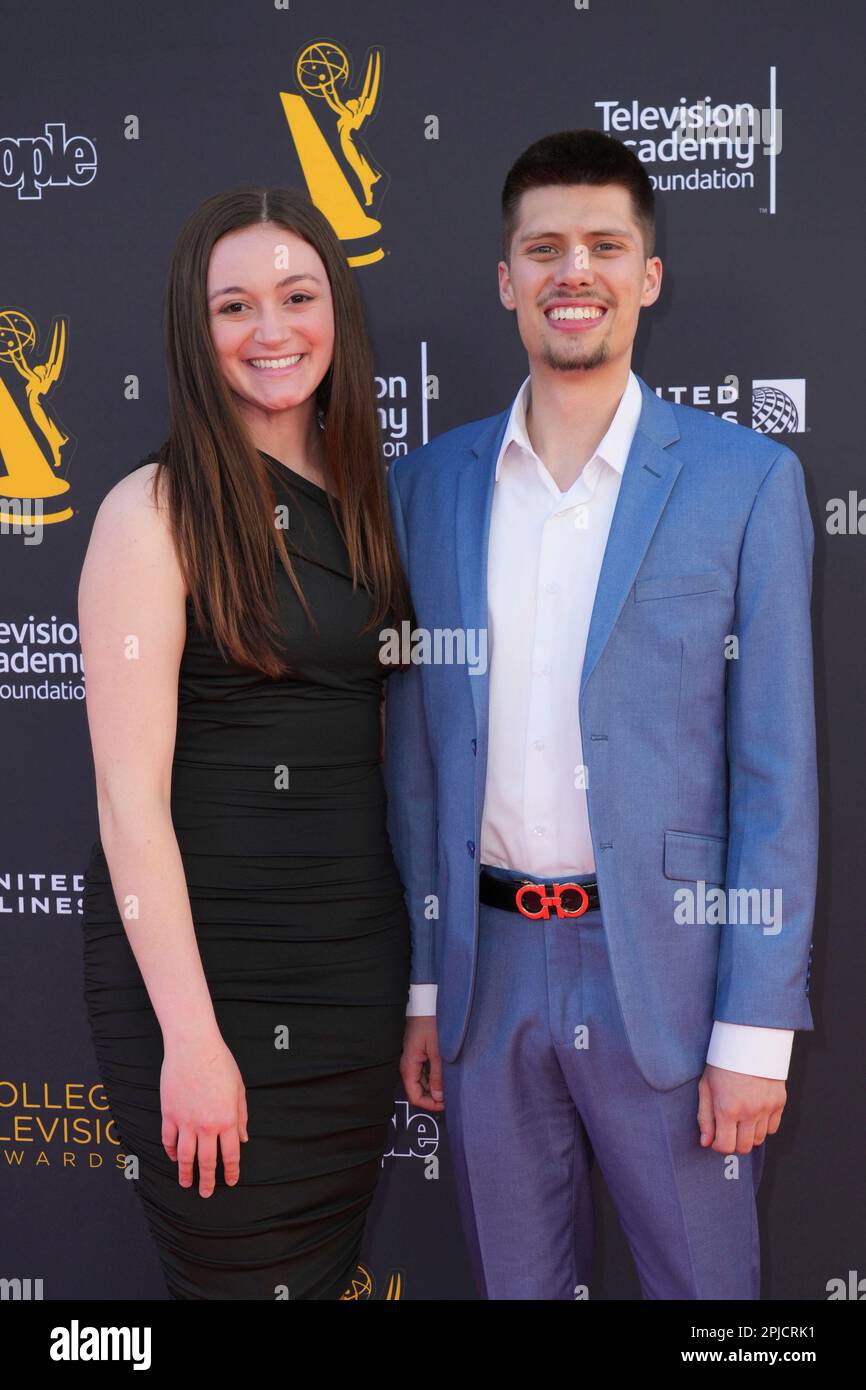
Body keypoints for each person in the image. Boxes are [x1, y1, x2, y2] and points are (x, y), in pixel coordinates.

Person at [383, 129, 817, 1299]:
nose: (572, 269)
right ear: (507, 279)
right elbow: (419, 762)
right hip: (486, 977)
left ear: (646, 277)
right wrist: (427, 984)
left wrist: (753, 1031)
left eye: (603, 246)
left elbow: (774, 774)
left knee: (708, 1302)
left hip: (669, 978)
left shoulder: (744, 483)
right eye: (544, 248)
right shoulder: (425, 488)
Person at [79, 186, 413, 1300]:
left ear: (336, 312)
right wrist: (192, 1037)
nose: (271, 330)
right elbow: (128, 803)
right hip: (204, 977)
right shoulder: (152, 512)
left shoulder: (369, 501)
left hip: (349, 975)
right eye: (234, 305)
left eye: (296, 295)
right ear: (194, 327)